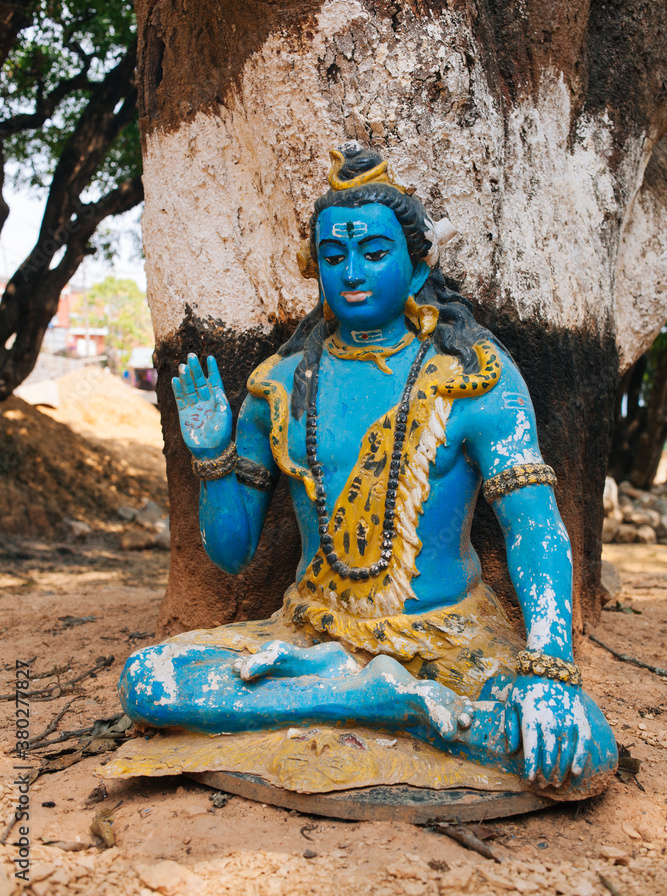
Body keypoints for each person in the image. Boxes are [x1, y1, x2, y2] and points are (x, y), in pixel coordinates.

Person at [119, 142, 617, 796]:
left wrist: (549, 666)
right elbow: (233, 554)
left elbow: (533, 528)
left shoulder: (473, 376)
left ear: (414, 271)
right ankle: (385, 703)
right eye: (333, 256)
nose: (352, 271)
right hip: (305, 636)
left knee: (582, 753)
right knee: (148, 682)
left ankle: (364, 697)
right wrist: (211, 455)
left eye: (374, 253)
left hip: (448, 646)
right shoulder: (279, 387)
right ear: (316, 269)